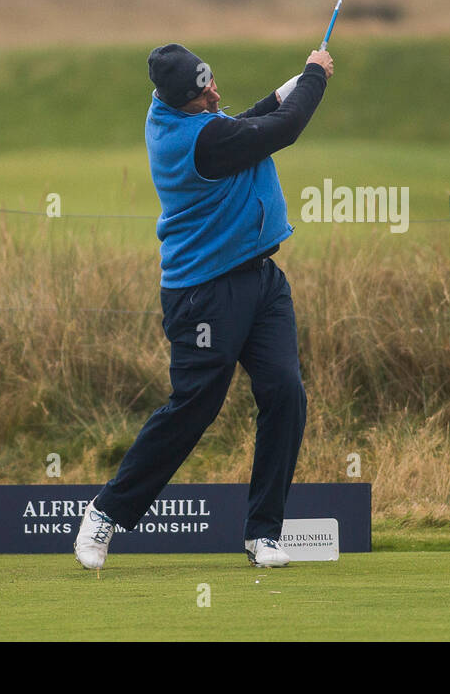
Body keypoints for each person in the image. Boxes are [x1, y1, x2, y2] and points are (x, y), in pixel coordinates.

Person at [74, 42, 334, 570]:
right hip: (205, 295)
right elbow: (279, 130)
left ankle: (263, 535)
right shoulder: (195, 142)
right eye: (201, 93)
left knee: (285, 392)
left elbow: (246, 121)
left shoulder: (195, 118)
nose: (213, 93)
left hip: (261, 281)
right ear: (177, 103)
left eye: (210, 81)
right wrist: (315, 76)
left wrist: (294, 80)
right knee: (194, 408)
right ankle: (105, 512)